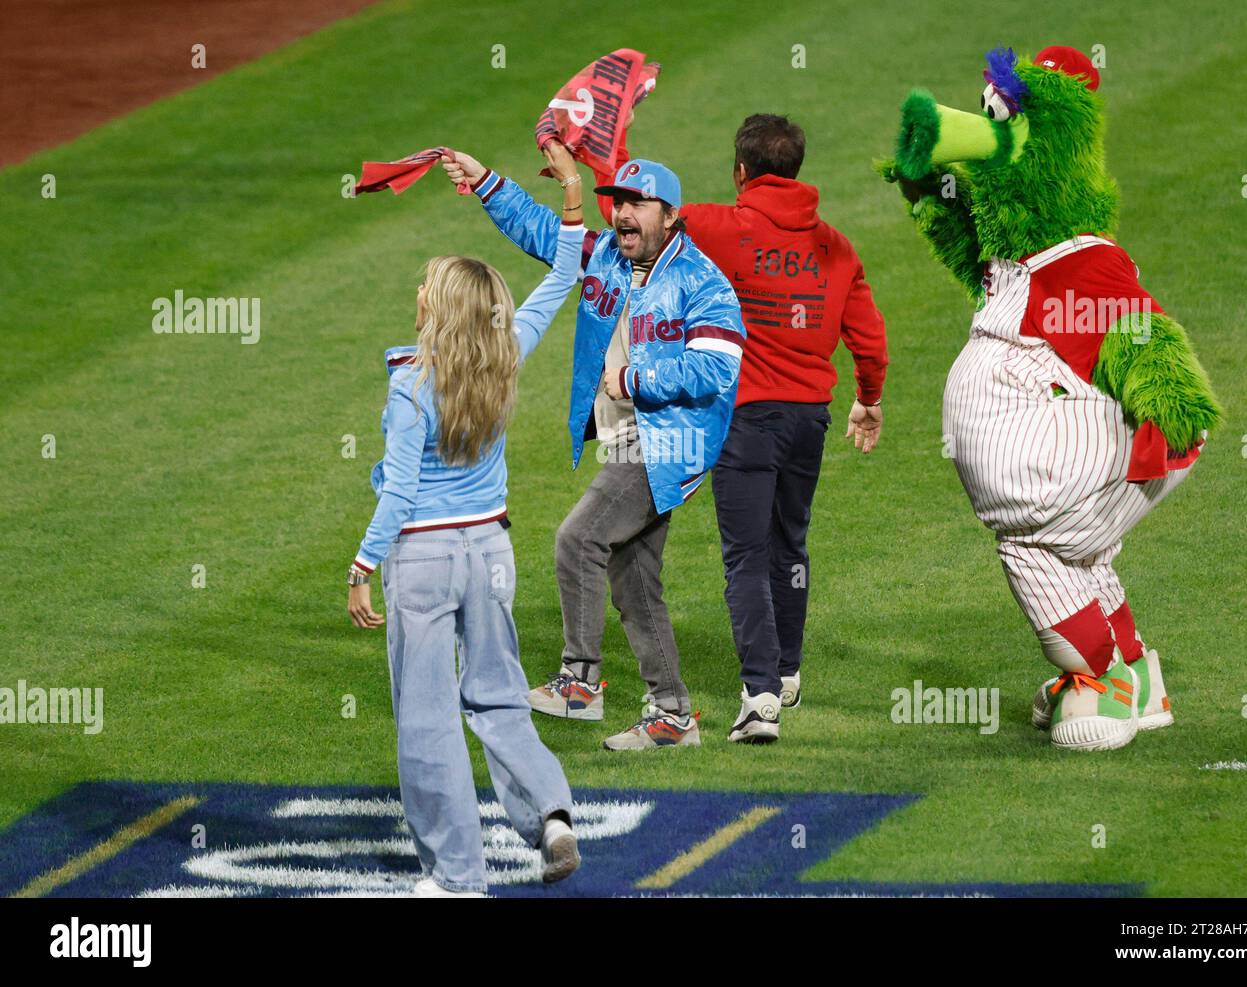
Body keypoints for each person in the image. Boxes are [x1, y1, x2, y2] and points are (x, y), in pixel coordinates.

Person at [440, 150, 746, 751]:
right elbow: (540, 232)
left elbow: (718, 368)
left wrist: (633, 381)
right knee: (633, 577)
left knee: (578, 539)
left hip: (668, 443)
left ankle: (580, 682)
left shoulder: (702, 282)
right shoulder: (605, 253)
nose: (623, 213)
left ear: (672, 215)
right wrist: (484, 181)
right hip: (627, 439)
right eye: (619, 202)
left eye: (638, 204)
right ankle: (672, 716)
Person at [346, 142, 586, 896]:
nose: (418, 291)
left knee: (427, 721)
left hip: (422, 561)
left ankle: (456, 876)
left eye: (426, 286)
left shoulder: (413, 385)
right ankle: (550, 812)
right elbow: (568, 271)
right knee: (498, 694)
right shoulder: (508, 351)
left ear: (438, 310)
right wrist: (572, 193)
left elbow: (402, 492)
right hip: (491, 552)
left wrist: (362, 565)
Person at [619, 115, 889, 742]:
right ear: (796, 168)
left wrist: (617, 133)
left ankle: (760, 698)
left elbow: (640, 206)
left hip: (744, 419)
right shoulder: (837, 247)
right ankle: (787, 674)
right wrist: (868, 398)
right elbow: (869, 338)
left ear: (741, 171)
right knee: (789, 544)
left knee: (746, 555)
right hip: (809, 421)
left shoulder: (719, 226)